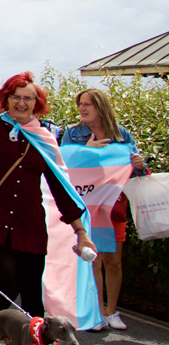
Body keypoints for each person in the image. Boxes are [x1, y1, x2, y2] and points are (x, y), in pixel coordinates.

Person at [0, 36, 95, 345]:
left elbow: (63, 191)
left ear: (37, 104)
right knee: (7, 288)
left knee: (32, 295)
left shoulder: (43, 139)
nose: (22, 102)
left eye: (29, 98)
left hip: (32, 227)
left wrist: (80, 231)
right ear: (6, 99)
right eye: (16, 97)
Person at [61, 87, 148, 331]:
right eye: (80, 104)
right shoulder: (72, 133)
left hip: (112, 206)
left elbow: (136, 171)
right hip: (85, 205)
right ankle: (97, 312)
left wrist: (140, 165)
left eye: (88, 104)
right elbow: (64, 167)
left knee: (114, 261)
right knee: (92, 259)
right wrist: (86, 150)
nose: (82, 108)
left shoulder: (122, 134)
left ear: (101, 107)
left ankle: (112, 312)